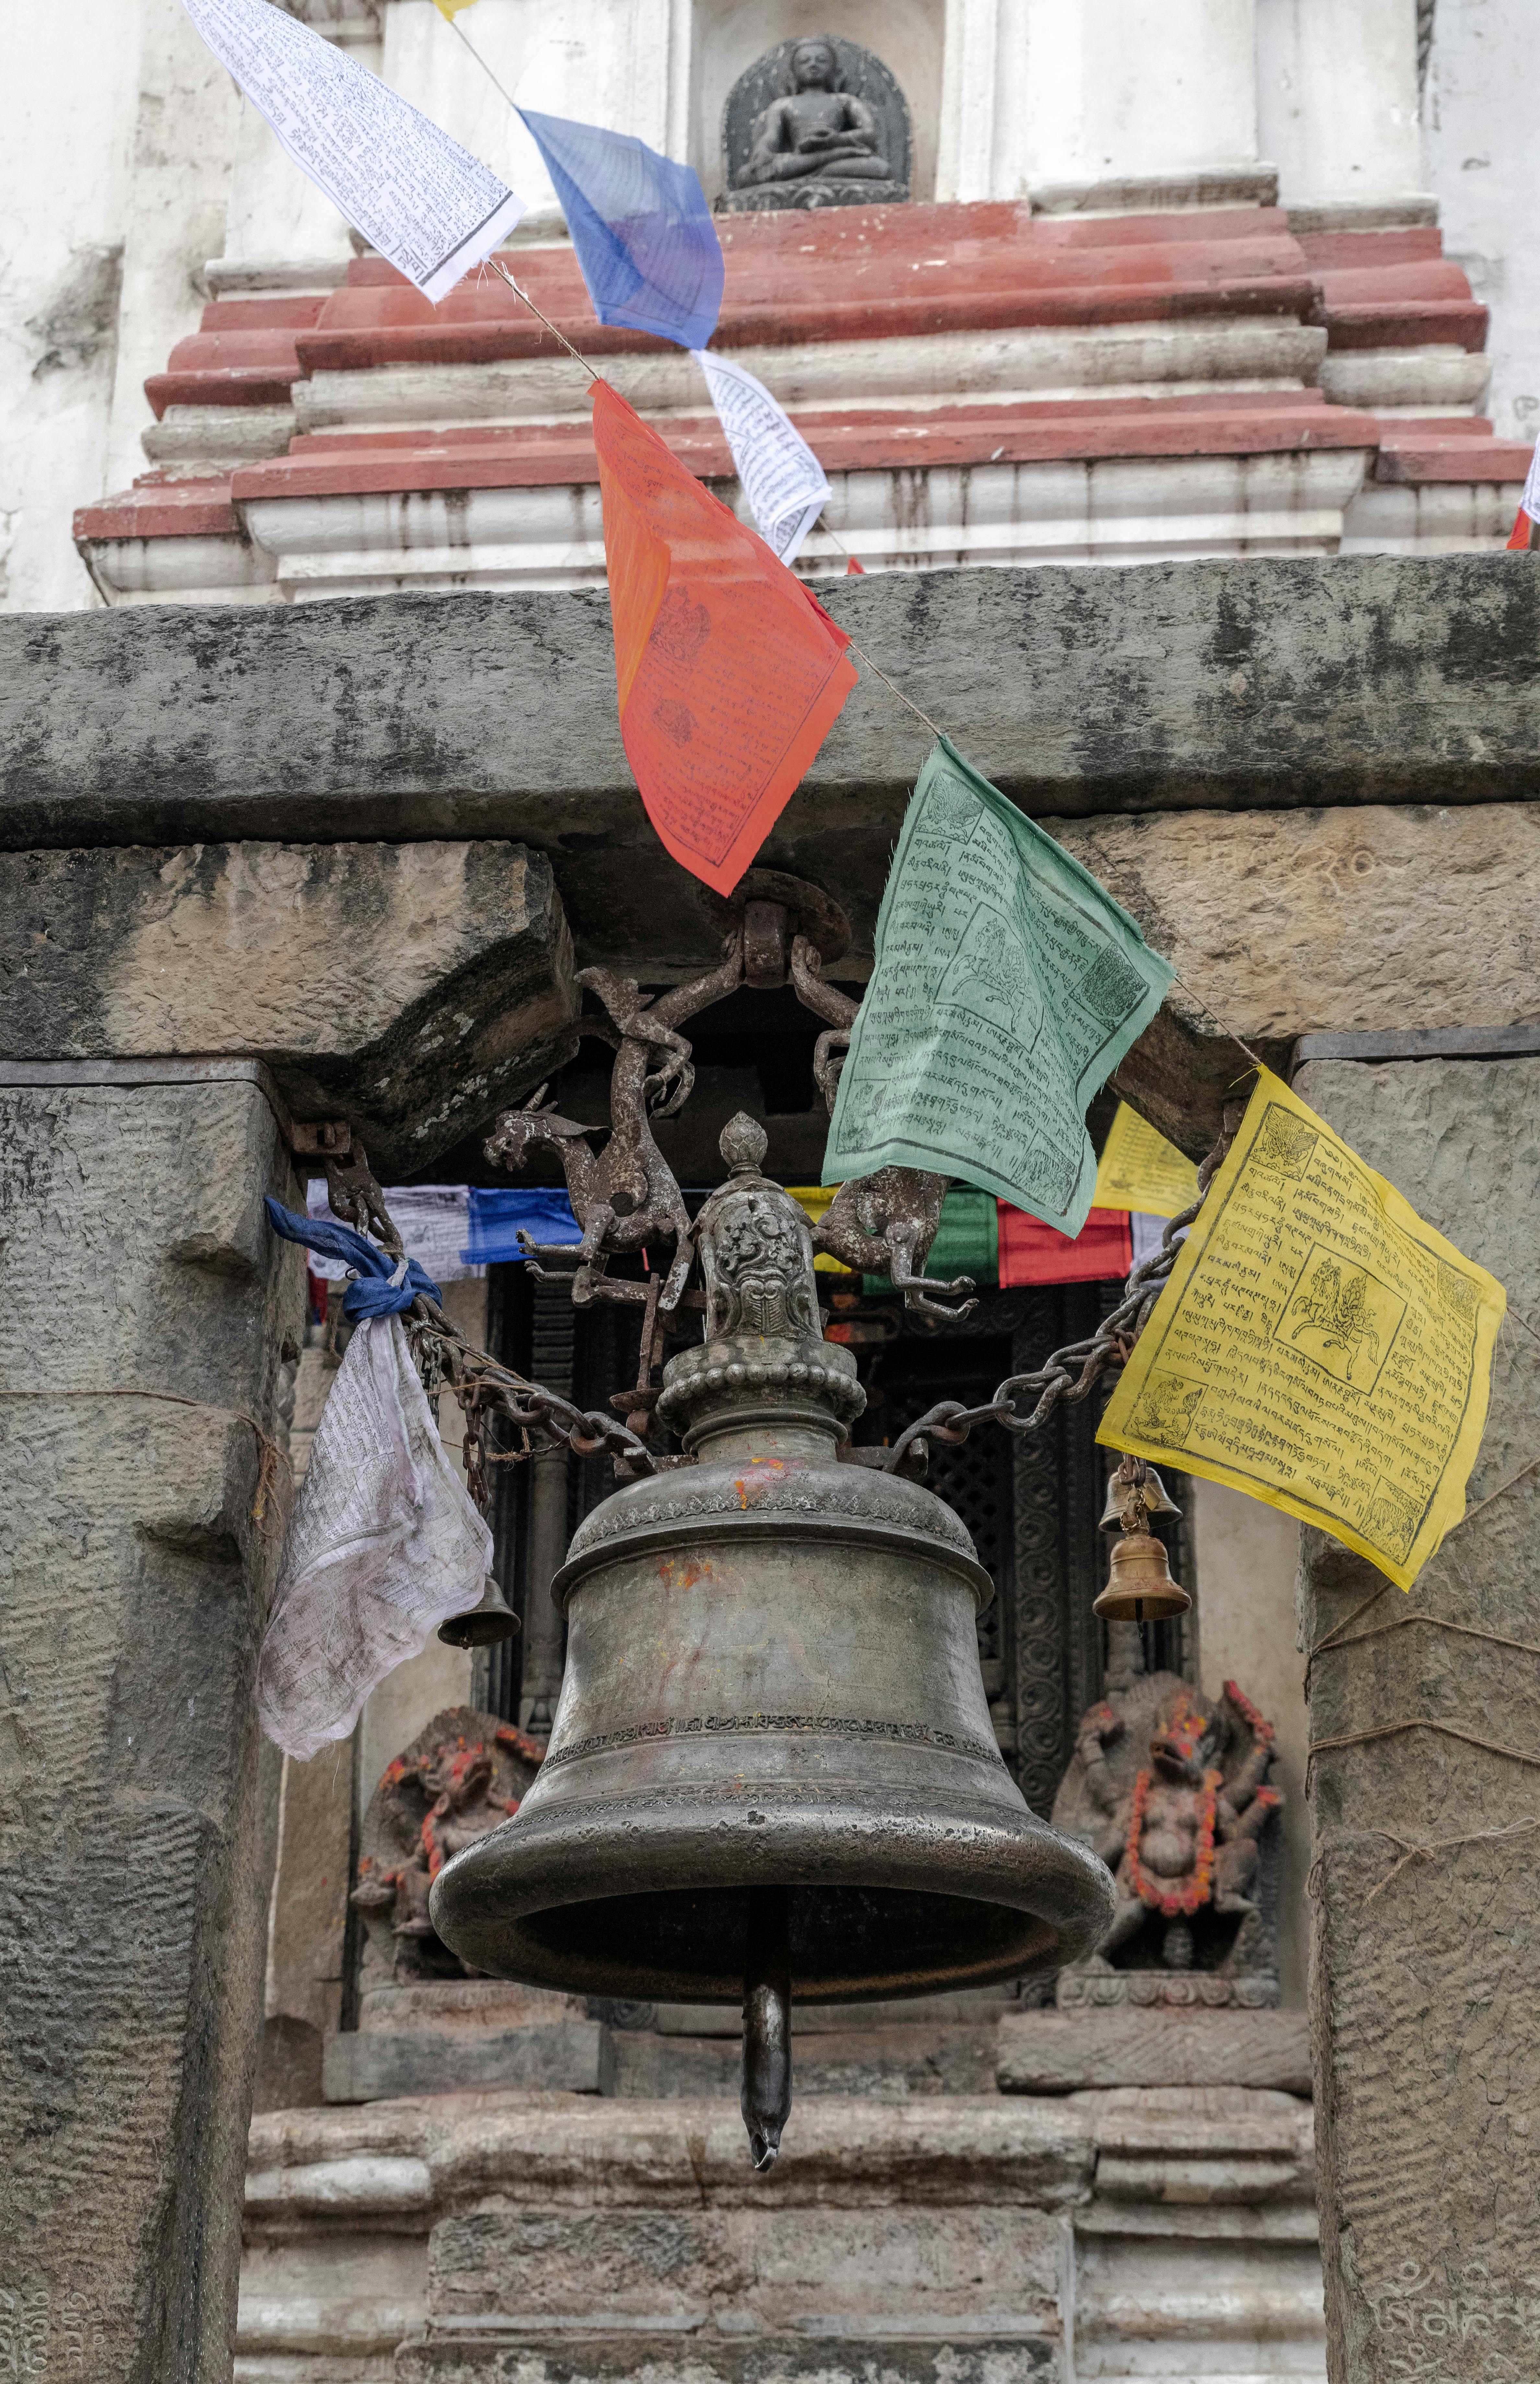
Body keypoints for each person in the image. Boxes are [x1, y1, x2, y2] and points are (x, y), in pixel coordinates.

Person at [741, 38, 891, 188]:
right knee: (745, 176)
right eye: (805, 61)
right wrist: (763, 152)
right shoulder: (782, 105)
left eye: (821, 61)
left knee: (882, 169)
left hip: (829, 160)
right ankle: (824, 163)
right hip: (799, 158)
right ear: (793, 72)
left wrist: (836, 139)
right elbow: (772, 137)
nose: (813, 65)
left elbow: (871, 134)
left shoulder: (845, 100)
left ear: (834, 70)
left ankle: (817, 166)